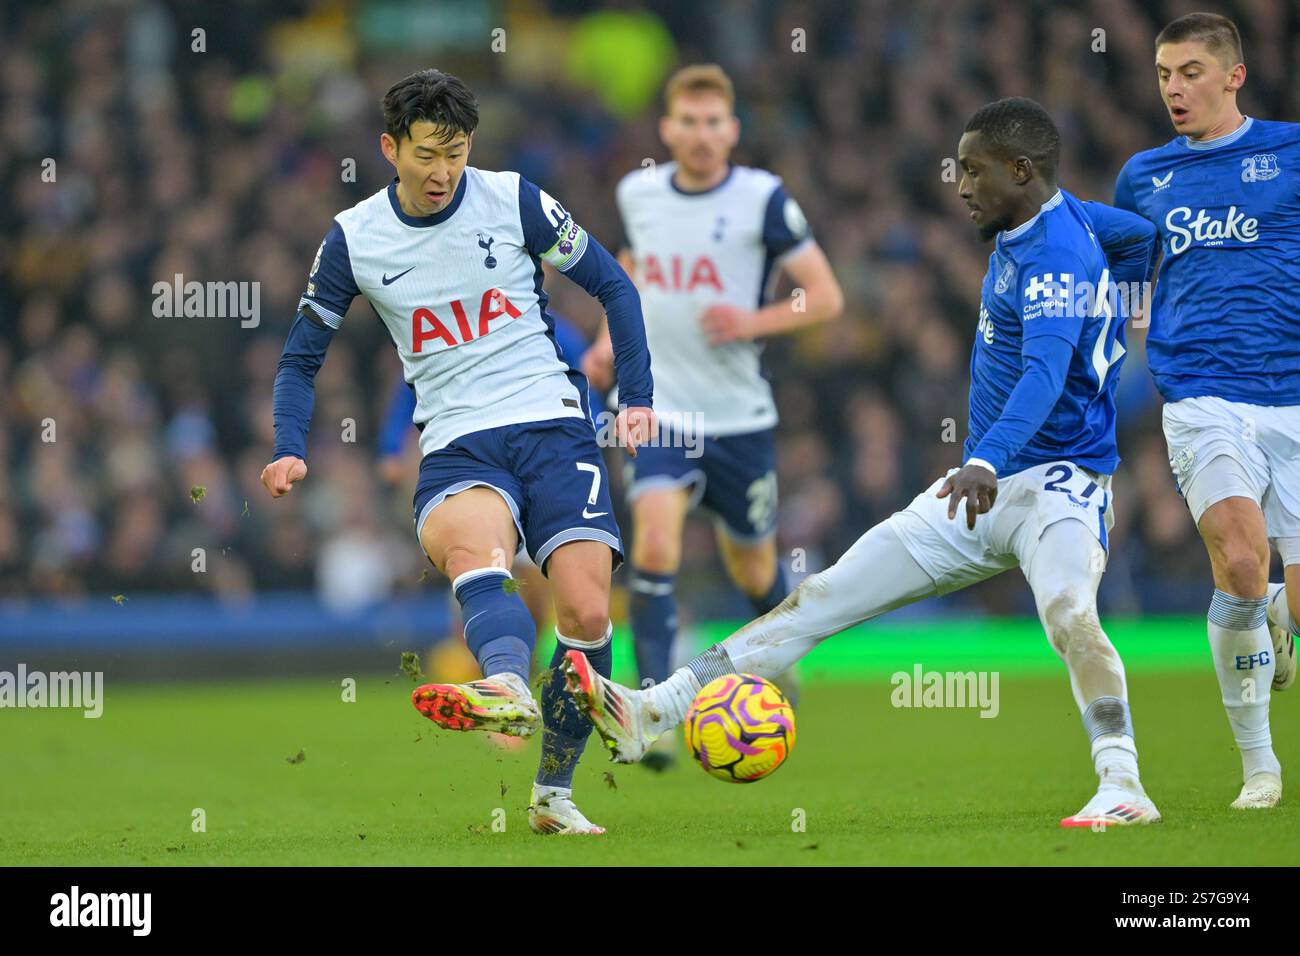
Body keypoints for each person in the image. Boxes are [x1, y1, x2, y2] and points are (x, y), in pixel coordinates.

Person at [564, 98, 1166, 828]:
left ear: (1021, 171)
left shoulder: (1055, 256)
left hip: (1057, 484)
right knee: (822, 595)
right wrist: (1127, 306)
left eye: (974, 171)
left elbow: (1042, 374)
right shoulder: (1065, 222)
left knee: (1070, 614)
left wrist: (987, 457)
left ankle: (1123, 784)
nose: (962, 185)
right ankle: (652, 709)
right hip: (981, 491)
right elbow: (1141, 237)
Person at [260, 69, 656, 835]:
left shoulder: (514, 199)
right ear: (389, 148)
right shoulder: (354, 238)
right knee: (476, 552)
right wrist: (286, 447)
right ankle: (504, 682)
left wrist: (635, 399)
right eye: (427, 154)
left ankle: (552, 795)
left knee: (581, 608)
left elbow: (616, 287)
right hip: (455, 442)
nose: (444, 171)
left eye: (457, 151)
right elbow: (301, 357)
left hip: (552, 424)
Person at [582, 65, 844, 767]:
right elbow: (633, 270)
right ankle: (651, 708)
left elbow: (822, 298)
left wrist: (753, 318)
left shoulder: (763, 198)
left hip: (738, 418)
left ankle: (779, 662)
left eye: (713, 122)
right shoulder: (637, 192)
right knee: (656, 547)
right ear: (667, 130)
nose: (701, 136)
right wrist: (609, 342)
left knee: (754, 566)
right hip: (658, 407)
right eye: (688, 123)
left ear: (733, 129)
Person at [1114, 12, 1300, 810]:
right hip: (1201, 395)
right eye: (1163, 74)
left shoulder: (1292, 152)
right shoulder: (1144, 178)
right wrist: (1127, 333)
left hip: (1293, 395)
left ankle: (1276, 610)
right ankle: (1260, 766)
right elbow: (1128, 284)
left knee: (1270, 587)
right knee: (1238, 555)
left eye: (1190, 72)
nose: (1174, 89)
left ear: (1234, 76)